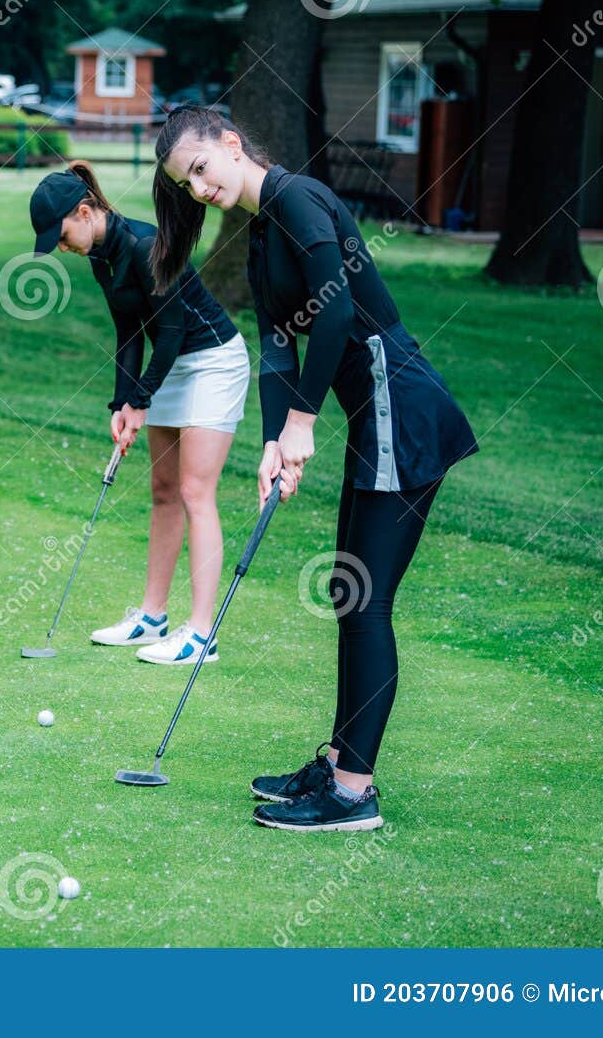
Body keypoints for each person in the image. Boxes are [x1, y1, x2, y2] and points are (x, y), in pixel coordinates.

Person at [151, 105, 478, 830]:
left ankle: (353, 792)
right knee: (348, 590)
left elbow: (333, 315)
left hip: (400, 402)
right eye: (186, 183)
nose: (199, 188)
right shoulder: (263, 229)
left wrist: (303, 423)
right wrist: (273, 440)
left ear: (233, 143)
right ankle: (339, 759)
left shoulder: (296, 197)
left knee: (365, 602)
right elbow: (277, 348)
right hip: (376, 416)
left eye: (200, 168)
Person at [29, 161, 249, 665]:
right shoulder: (102, 258)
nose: (62, 247)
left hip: (213, 361)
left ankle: (201, 632)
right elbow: (130, 332)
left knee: (196, 492)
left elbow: (170, 333)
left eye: (62, 236)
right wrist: (121, 401)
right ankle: (152, 617)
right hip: (169, 365)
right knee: (164, 491)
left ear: (84, 212)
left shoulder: (146, 247)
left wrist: (141, 398)